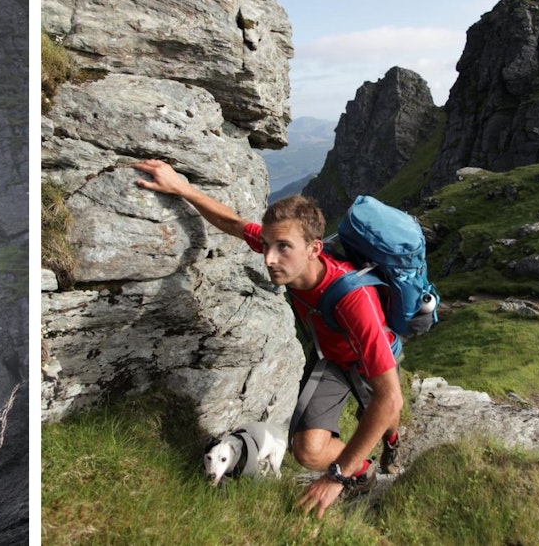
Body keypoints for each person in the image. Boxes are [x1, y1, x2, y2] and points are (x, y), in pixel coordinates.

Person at [133, 159, 403, 518]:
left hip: (370, 358)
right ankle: (365, 471)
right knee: (306, 451)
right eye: (265, 245)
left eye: (283, 248)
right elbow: (230, 222)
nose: (269, 259)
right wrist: (181, 187)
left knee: (385, 412)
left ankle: (392, 444)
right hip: (334, 359)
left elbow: (389, 395)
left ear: (314, 249)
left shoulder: (356, 301)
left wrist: (334, 477)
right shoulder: (280, 251)